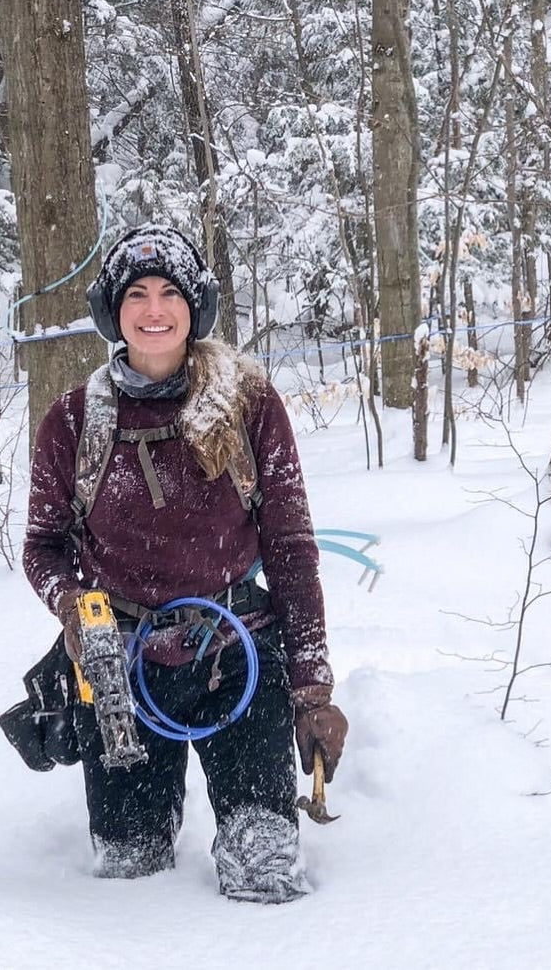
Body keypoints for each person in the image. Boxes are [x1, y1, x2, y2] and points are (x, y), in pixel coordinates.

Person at [22, 224, 348, 903]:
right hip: (122, 668)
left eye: (170, 292)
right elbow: (43, 548)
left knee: (265, 877)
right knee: (130, 876)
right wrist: (73, 609)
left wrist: (313, 691)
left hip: (240, 655)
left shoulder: (250, 405)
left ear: (196, 306)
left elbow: (291, 552)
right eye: (136, 294)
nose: (154, 310)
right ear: (112, 310)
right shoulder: (73, 421)